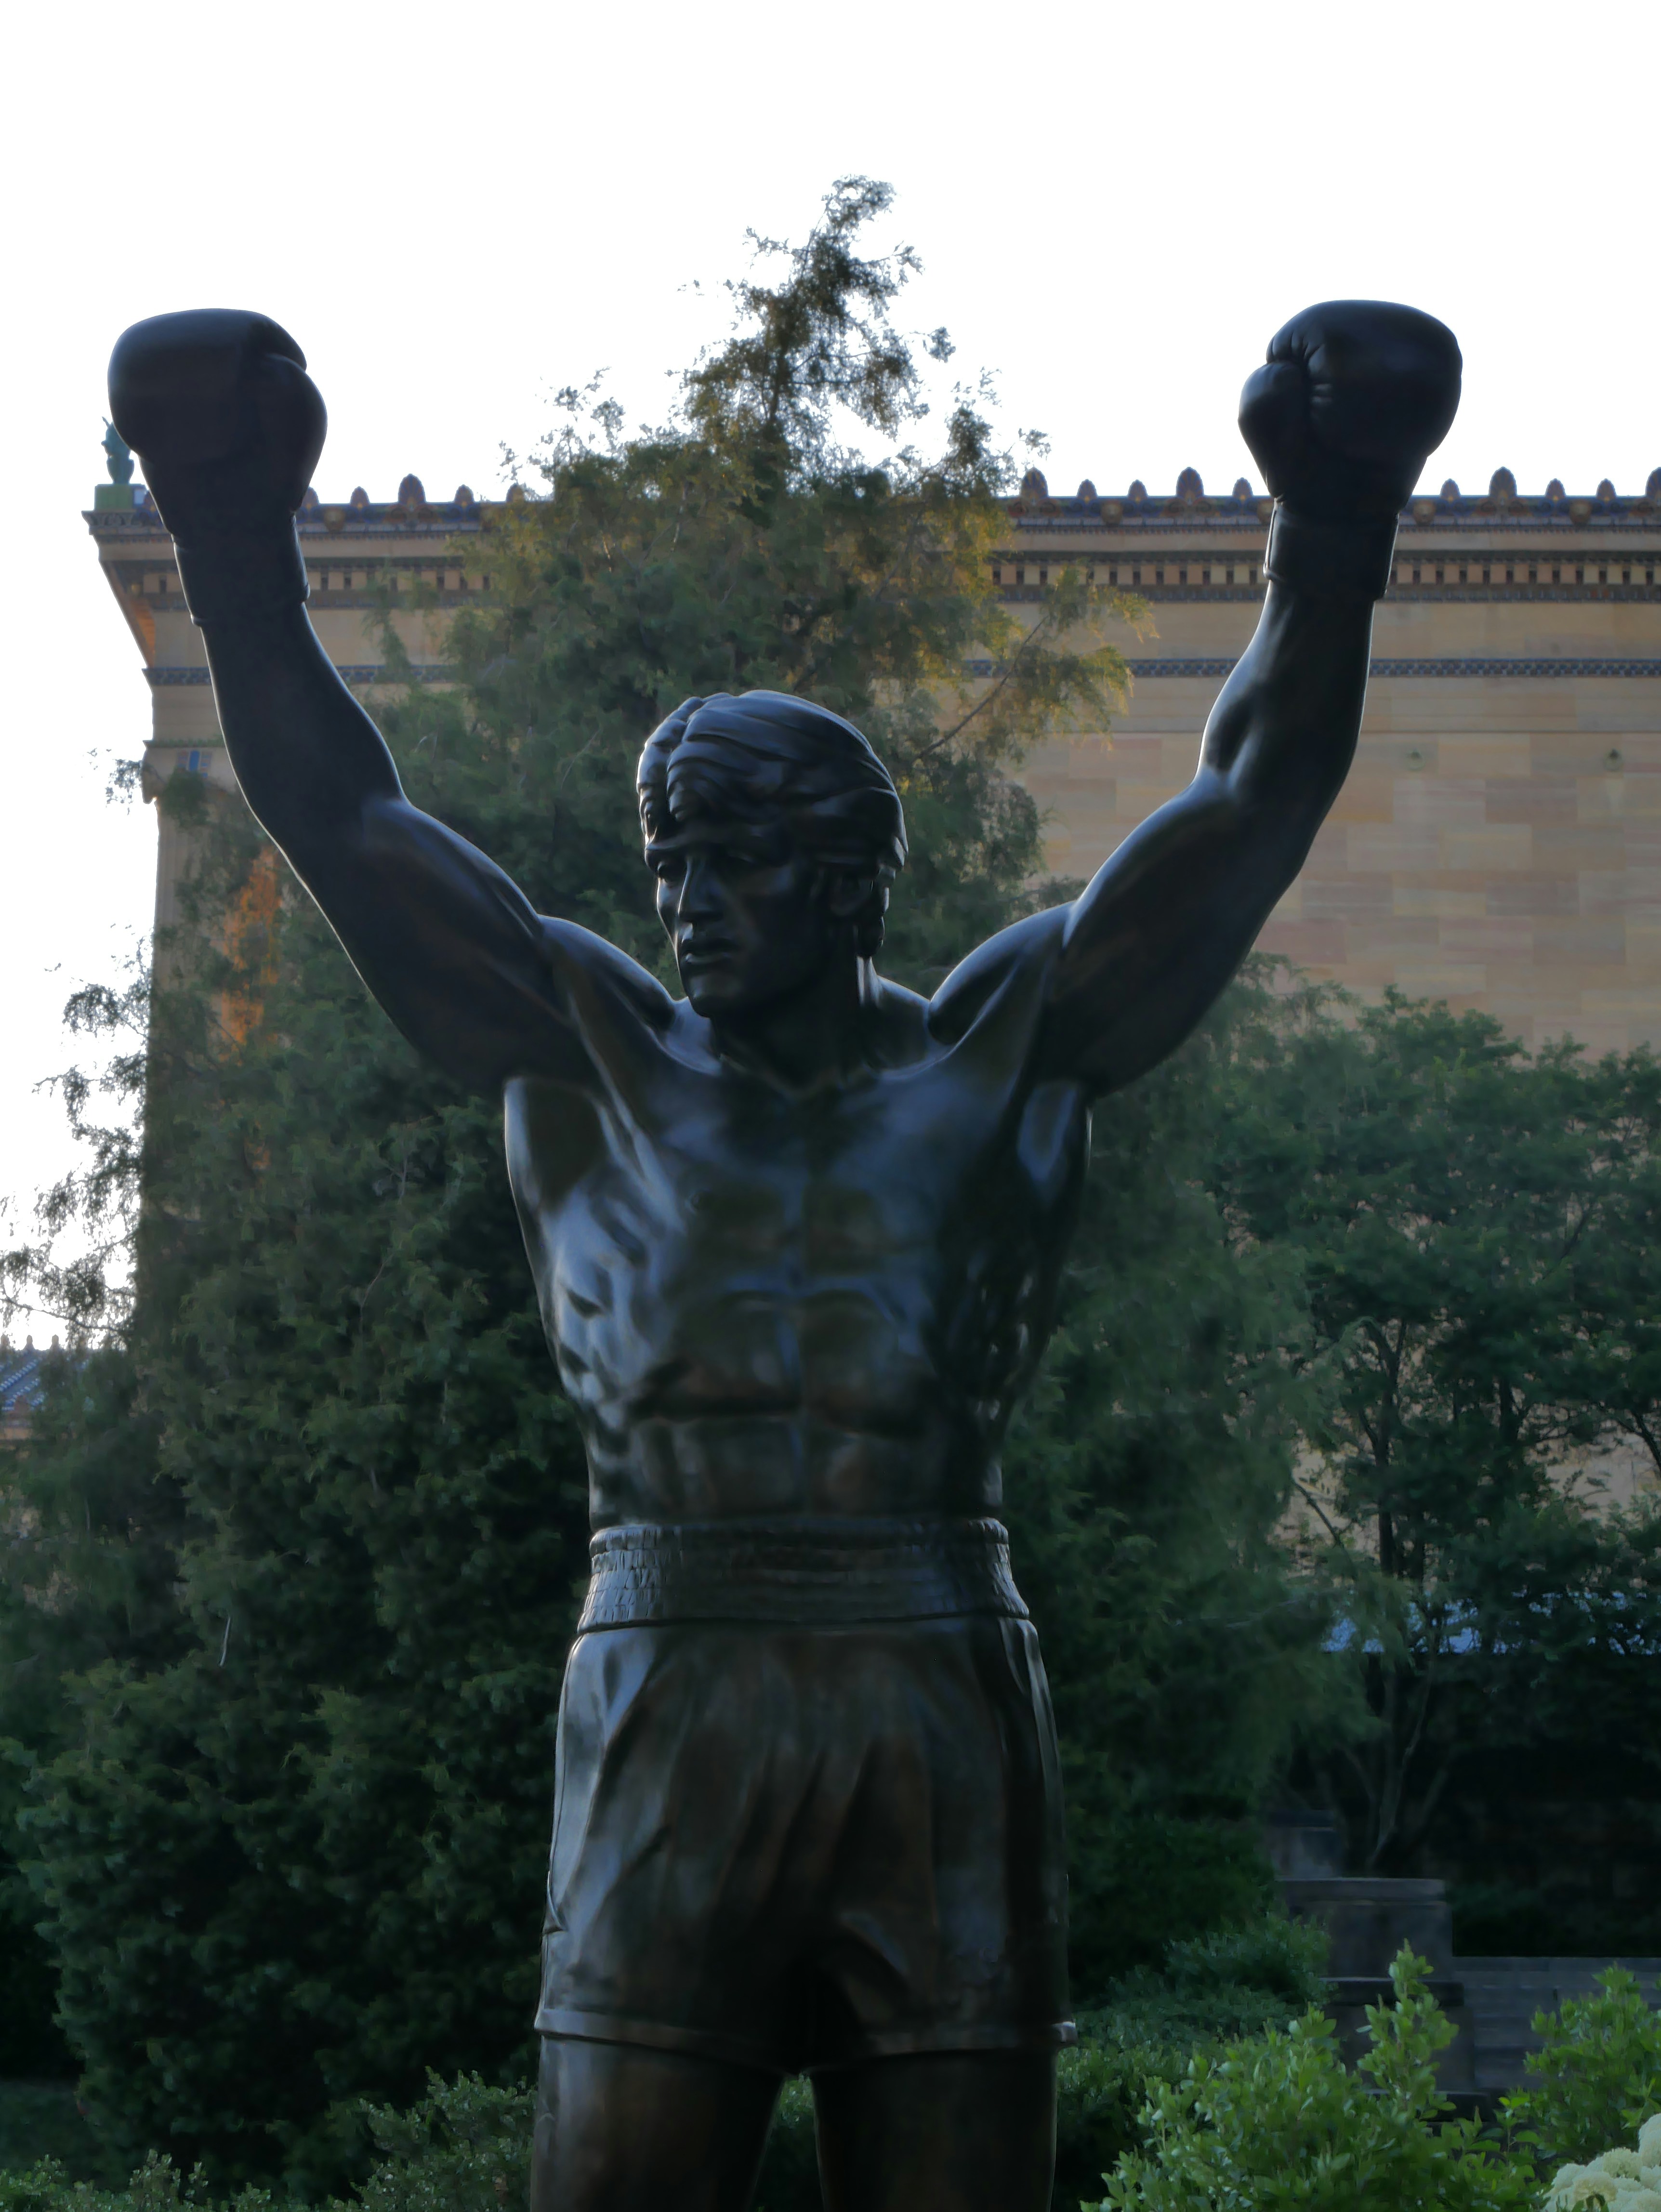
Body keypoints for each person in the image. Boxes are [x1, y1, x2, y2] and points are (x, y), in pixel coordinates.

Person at [108, 298, 1459, 2212]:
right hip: (672, 1666)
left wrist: (1334, 529)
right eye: (664, 862)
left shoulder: (1006, 1050)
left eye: (723, 861)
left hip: (936, 1676)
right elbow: (349, 814)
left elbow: (1246, 804)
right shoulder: (586, 1050)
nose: (678, 904)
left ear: (839, 873)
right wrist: (227, 529)